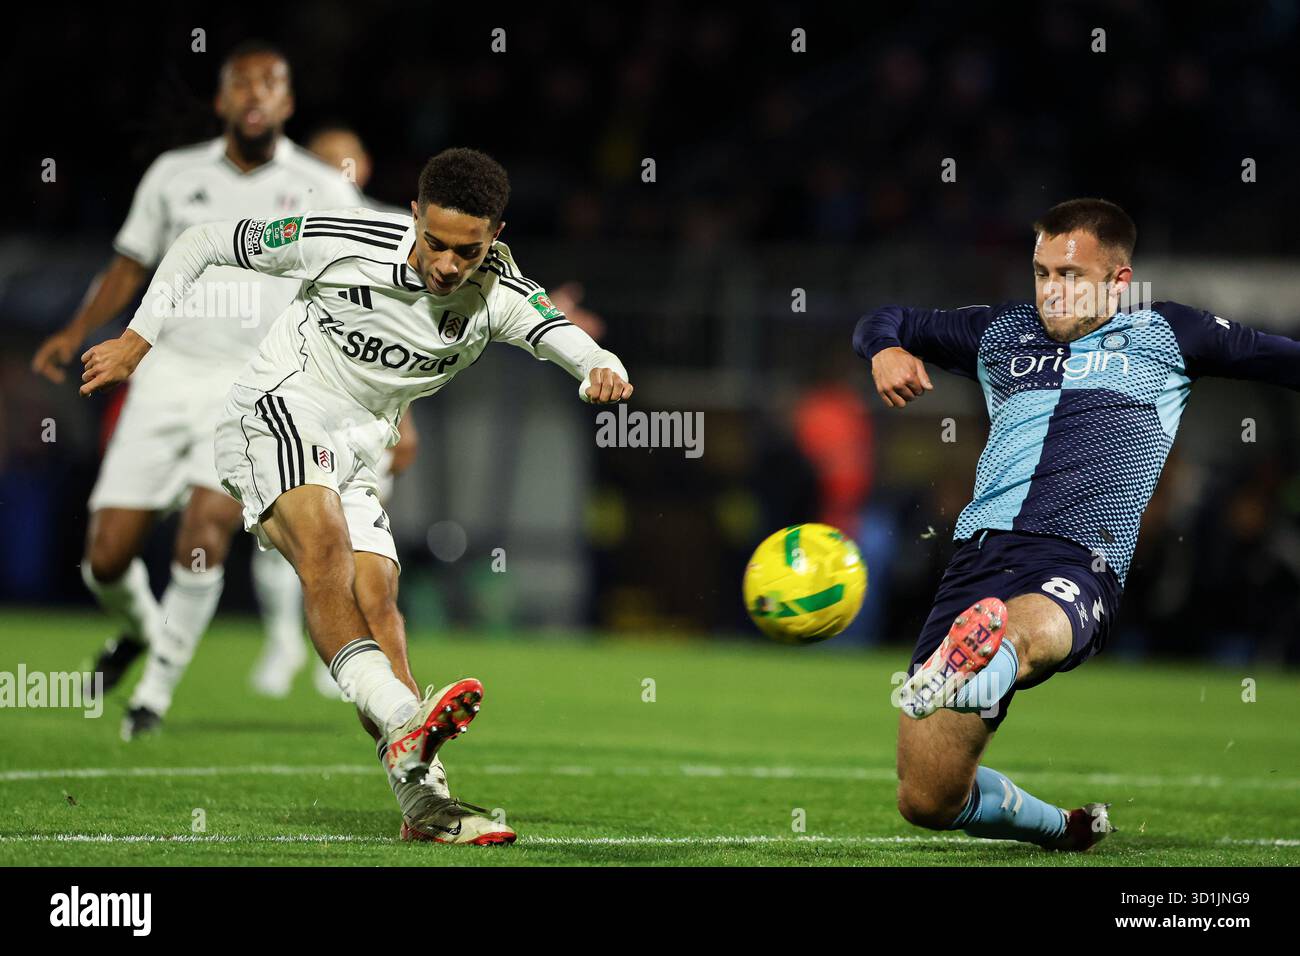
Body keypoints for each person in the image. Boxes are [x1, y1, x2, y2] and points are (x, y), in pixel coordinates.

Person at [80, 147, 633, 845]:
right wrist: (137, 341)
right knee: (327, 555)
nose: (446, 264)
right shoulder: (342, 239)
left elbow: (564, 337)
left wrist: (601, 370)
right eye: (434, 241)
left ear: (494, 237)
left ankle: (423, 801)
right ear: (413, 217)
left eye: (467, 250)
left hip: (361, 450)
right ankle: (405, 723)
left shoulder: (499, 292)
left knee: (380, 607)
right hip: (277, 409)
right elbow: (203, 243)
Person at [854, 197, 1300, 851]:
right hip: (978, 558)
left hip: (1078, 558)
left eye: (1071, 275)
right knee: (928, 798)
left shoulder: (1173, 334)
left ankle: (986, 657)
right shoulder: (1000, 331)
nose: (1052, 291)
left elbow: (1286, 358)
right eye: (1042, 273)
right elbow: (883, 317)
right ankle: (1063, 829)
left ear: (1119, 281)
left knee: (1028, 632)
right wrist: (885, 350)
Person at [31, 40, 363, 737]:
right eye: (241, 84)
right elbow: (128, 267)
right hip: (163, 378)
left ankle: (151, 695)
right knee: (106, 557)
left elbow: (357, 287)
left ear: (288, 102)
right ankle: (142, 629)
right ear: (221, 101)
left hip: (251, 390)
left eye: (270, 84)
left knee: (204, 534)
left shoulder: (320, 187)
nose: (255, 95)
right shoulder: (174, 175)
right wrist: (77, 330)